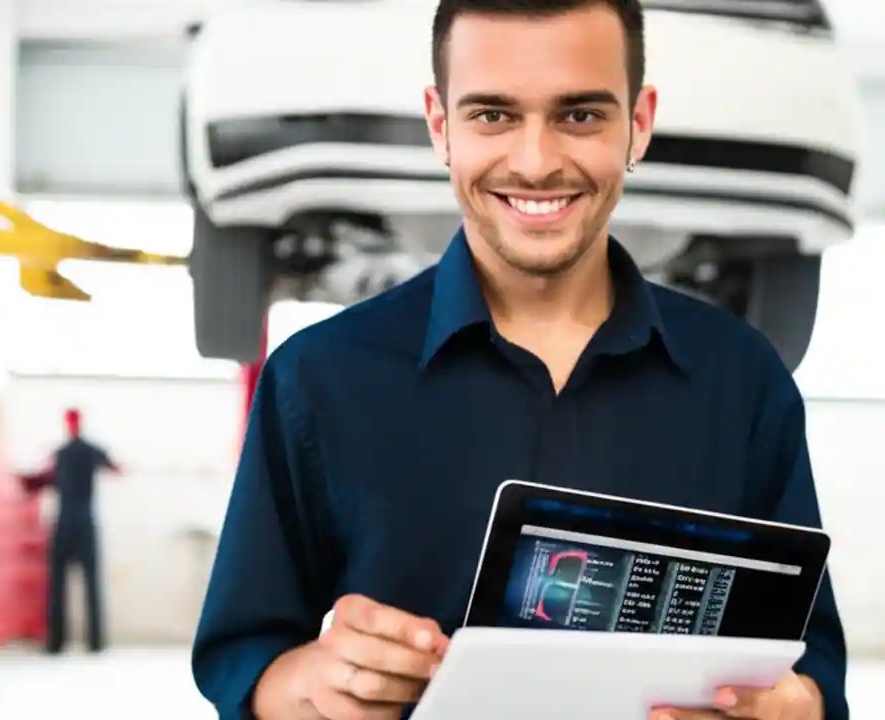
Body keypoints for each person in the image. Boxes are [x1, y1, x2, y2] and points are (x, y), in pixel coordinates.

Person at [192, 2, 848, 719]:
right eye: (493, 116)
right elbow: (244, 662)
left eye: (580, 116)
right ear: (440, 125)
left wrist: (787, 708)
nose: (535, 164)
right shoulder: (318, 379)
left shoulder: (744, 381)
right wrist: (316, 683)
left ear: (640, 121)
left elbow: (811, 672)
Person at [22, 408, 121, 654]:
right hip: (84, 522)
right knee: (90, 584)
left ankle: (57, 643)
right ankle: (95, 644)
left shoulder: (60, 454)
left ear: (68, 423)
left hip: (66, 523)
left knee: (58, 585)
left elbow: (38, 481)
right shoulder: (91, 451)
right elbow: (116, 468)